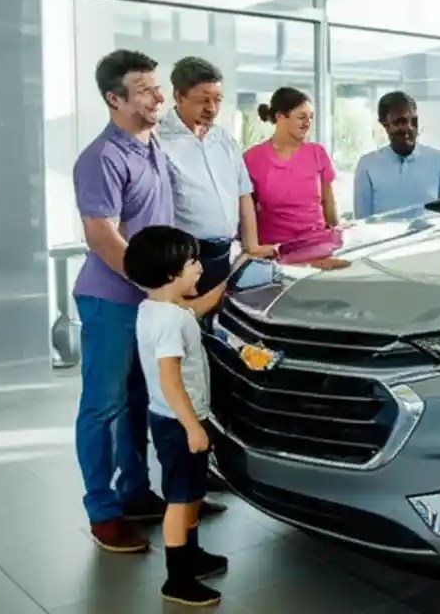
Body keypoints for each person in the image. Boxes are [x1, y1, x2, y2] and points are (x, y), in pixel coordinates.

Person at [71, 49, 173, 553]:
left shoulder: (153, 144)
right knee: (103, 406)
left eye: (157, 86)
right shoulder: (101, 157)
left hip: (148, 299)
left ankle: (136, 492)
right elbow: (102, 237)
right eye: (145, 88)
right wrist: (154, 281)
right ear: (114, 99)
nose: (159, 96)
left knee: (137, 399)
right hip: (110, 299)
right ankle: (102, 510)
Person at [123, 225, 232, 607]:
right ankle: (178, 578)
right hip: (179, 422)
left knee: (192, 494)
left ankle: (193, 556)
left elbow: (197, 307)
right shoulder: (171, 320)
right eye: (192, 263)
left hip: (169, 418)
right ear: (171, 274)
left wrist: (234, 276)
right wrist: (193, 427)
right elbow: (170, 379)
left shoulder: (155, 308)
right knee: (181, 500)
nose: (200, 269)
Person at [158, 56, 277, 296]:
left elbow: (243, 192)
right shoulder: (160, 141)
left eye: (217, 99)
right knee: (189, 327)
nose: (211, 108)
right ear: (179, 97)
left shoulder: (223, 139)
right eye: (203, 100)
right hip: (185, 261)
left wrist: (251, 245)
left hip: (225, 255)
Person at [243, 87, 340, 246]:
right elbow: (247, 212)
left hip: (317, 244)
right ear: (280, 116)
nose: (307, 123)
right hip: (274, 250)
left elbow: (329, 203)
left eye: (311, 117)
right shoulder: (252, 158)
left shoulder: (317, 153)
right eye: (301, 117)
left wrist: (337, 237)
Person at [352, 91, 440, 219]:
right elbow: (363, 222)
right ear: (384, 124)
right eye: (400, 122)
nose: (409, 128)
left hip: (429, 238)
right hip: (384, 238)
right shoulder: (367, 165)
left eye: (414, 121)